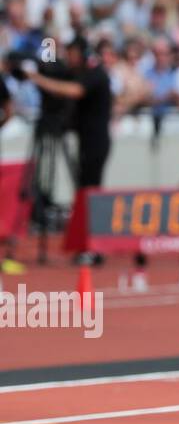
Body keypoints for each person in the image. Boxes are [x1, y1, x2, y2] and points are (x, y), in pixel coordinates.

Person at [24, 37, 114, 266]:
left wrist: (38, 79)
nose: (69, 59)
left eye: (72, 53)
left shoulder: (95, 74)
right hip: (86, 140)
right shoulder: (83, 72)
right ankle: (86, 245)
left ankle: (93, 248)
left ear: (83, 54)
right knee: (84, 192)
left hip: (96, 142)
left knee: (89, 193)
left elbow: (74, 91)